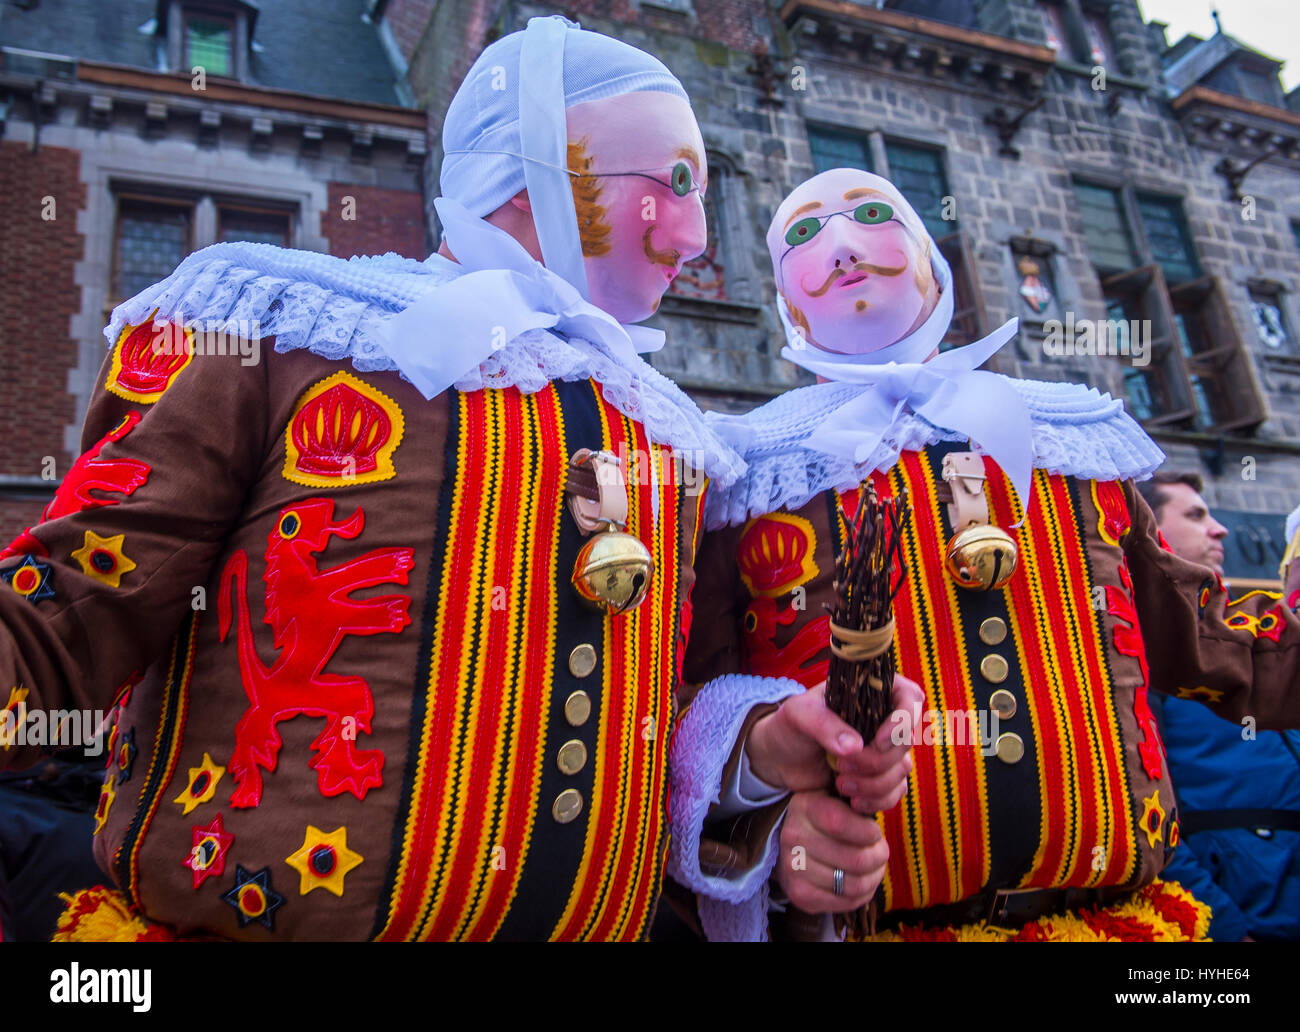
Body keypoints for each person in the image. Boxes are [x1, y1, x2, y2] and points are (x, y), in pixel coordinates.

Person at [0, 21, 908, 941]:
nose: (695, 233)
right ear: (536, 175)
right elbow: (68, 611)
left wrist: (757, 758)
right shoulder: (277, 330)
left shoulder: (673, 440)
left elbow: (651, 734)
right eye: (673, 185)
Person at [686, 167, 1300, 941]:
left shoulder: (1065, 442)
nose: (841, 246)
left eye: (872, 214)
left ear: (931, 263)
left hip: (1129, 926)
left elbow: (1208, 644)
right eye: (803, 236)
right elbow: (688, 715)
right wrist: (766, 823)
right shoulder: (751, 477)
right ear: (783, 300)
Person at [1139, 472, 1300, 941]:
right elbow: (1143, 812)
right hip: (1242, 908)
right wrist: (1224, 927)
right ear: (1150, 530)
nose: (1220, 528)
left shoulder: (1240, 629)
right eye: (1195, 514)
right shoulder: (1138, 644)